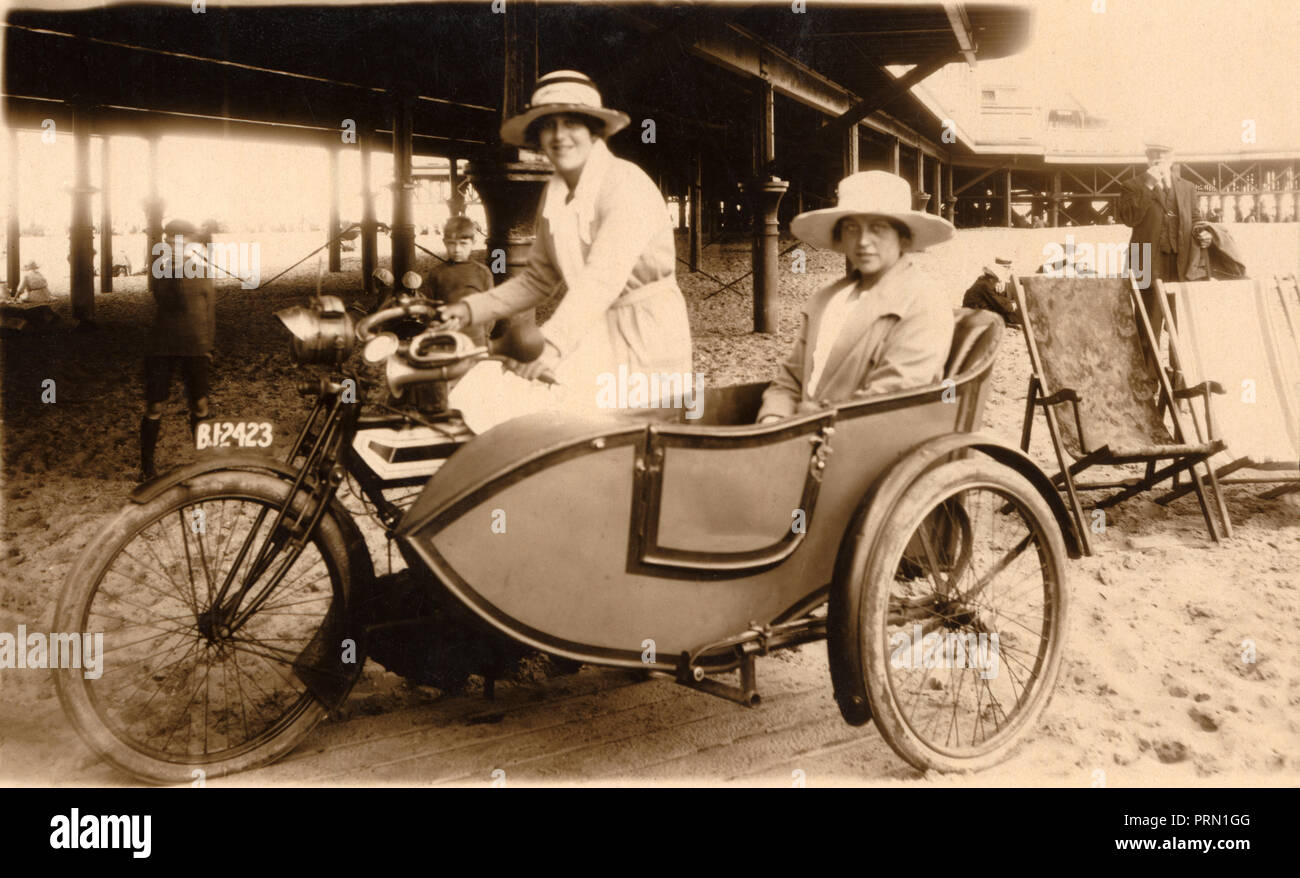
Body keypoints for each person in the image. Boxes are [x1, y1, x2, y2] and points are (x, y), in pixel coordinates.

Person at [436, 70, 692, 408]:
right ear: (537, 138)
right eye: (547, 126)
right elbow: (537, 278)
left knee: (622, 439)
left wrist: (553, 343)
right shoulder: (555, 193)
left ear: (594, 130)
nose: (559, 137)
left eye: (571, 123)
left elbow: (603, 279)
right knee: (497, 405)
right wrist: (469, 310)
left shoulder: (624, 184)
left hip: (646, 335)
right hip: (590, 329)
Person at [756, 171, 955, 424]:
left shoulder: (924, 302)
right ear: (840, 236)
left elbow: (893, 395)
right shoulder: (826, 300)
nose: (863, 242)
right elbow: (790, 379)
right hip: (803, 431)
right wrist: (773, 419)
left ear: (903, 237)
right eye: (851, 228)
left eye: (878, 228)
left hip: (870, 440)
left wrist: (805, 422)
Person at [139, 219, 217, 481]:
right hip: (162, 345)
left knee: (200, 403)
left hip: (195, 344)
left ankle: (205, 461)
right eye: (171, 240)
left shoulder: (202, 267)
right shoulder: (161, 268)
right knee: (155, 405)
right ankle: (147, 467)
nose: (174, 244)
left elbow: (209, 311)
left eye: (180, 240)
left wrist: (208, 346)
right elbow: (168, 299)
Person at [1114, 143, 1201, 338]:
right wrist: (1149, 185)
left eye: (1164, 153)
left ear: (1173, 157)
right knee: (1148, 322)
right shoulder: (1132, 185)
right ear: (1147, 157)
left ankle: (1179, 368)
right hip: (1146, 261)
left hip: (1181, 261)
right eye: (1154, 153)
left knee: (1180, 322)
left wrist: (1204, 232)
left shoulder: (1188, 188)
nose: (1159, 157)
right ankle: (1149, 369)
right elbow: (1129, 219)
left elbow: (1195, 218)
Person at [427, 215, 494, 348]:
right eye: (452, 243)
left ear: (473, 243)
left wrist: (484, 336)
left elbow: (491, 312)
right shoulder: (436, 274)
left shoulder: (482, 273)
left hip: (476, 342)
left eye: (463, 244)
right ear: (444, 242)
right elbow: (430, 309)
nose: (457, 249)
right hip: (447, 341)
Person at [962, 257, 1021, 327]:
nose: (1008, 271)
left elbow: (1000, 301)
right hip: (975, 314)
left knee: (1014, 317)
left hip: (978, 311)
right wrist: (1013, 305)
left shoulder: (986, 281)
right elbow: (1003, 307)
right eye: (1006, 268)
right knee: (1014, 317)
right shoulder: (986, 285)